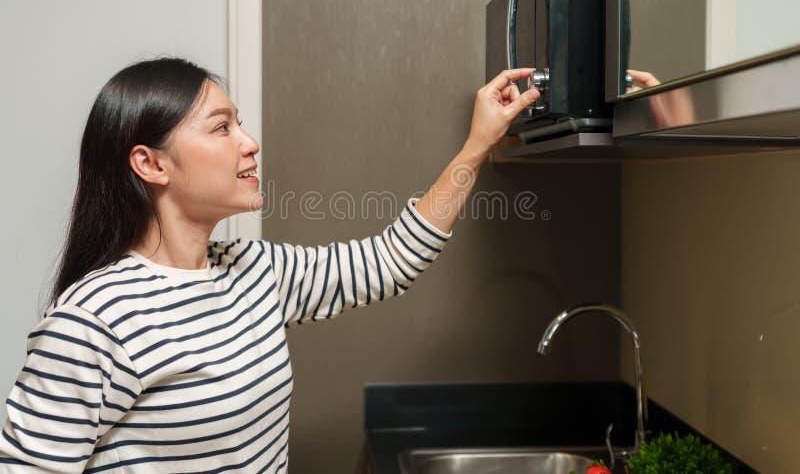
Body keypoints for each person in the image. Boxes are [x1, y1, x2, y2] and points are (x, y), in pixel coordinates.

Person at [0, 57, 539, 472]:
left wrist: (476, 145)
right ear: (151, 163)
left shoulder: (255, 271)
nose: (250, 143)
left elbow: (390, 260)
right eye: (221, 128)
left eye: (241, 125)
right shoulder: (95, 319)